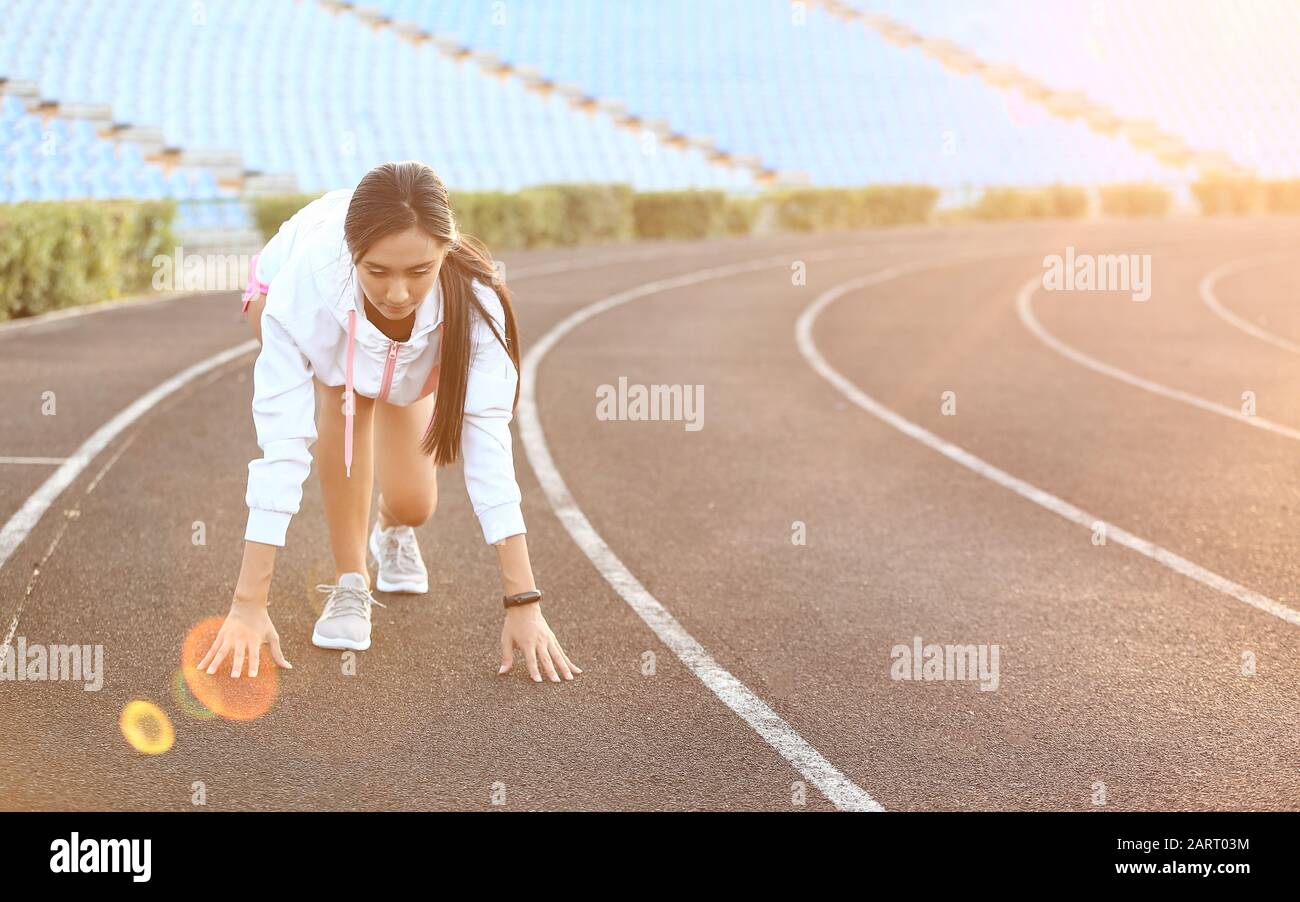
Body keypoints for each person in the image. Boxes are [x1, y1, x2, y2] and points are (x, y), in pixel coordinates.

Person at [196, 161, 580, 684]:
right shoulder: (304, 291)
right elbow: (283, 448)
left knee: (414, 504)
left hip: (406, 360)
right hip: (300, 308)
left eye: (419, 272)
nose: (398, 293)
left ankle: (391, 529)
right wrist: (247, 603)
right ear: (353, 255)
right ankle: (351, 581)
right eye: (378, 271)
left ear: (444, 252)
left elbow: (489, 446)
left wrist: (523, 601)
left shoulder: (476, 303)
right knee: (344, 396)